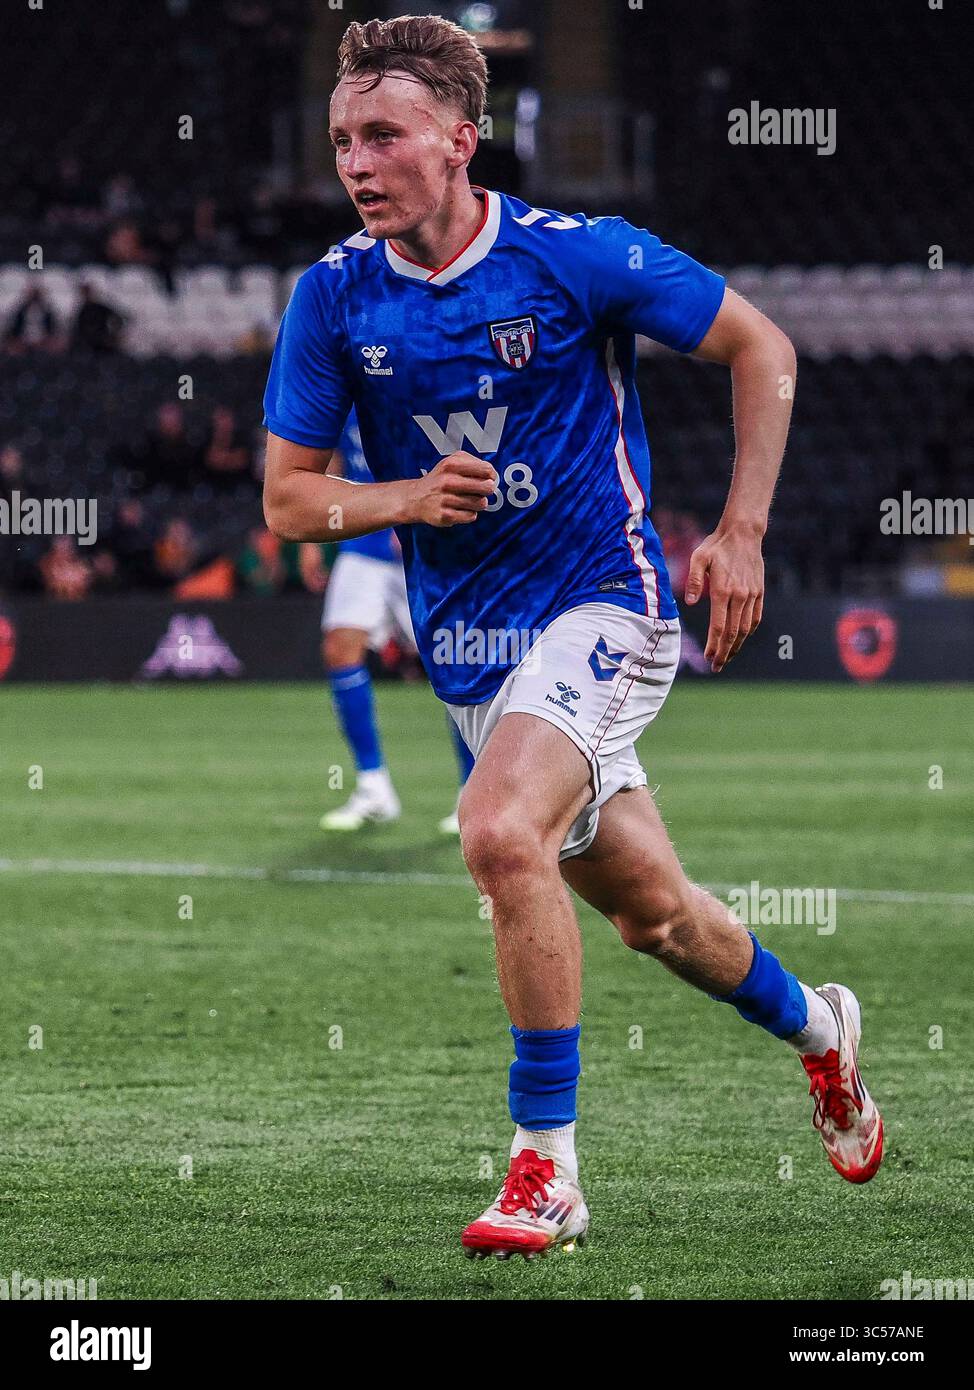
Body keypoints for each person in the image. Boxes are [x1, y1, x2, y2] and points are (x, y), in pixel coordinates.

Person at [262, 15, 883, 1260]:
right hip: (473, 658)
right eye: (341, 139)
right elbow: (288, 501)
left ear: (460, 137)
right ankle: (821, 1032)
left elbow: (761, 345)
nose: (357, 161)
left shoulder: (571, 258)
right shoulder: (332, 296)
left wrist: (743, 530)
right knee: (654, 917)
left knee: (495, 832)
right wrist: (399, 501)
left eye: (383, 134)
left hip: (608, 604)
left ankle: (544, 1167)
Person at [319, 407, 474, 833]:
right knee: (339, 648)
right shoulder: (342, 367)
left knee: (455, 660)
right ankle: (373, 787)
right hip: (362, 541)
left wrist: (409, 512)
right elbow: (325, 455)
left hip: (427, 540)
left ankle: (472, 792)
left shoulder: (418, 364)